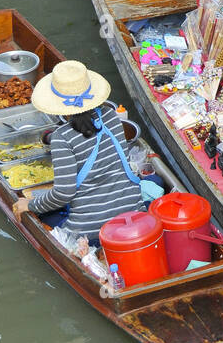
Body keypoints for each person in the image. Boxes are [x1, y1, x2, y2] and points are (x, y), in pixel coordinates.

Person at [13, 61, 144, 240]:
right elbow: (89, 134)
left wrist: (30, 205)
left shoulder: (63, 137)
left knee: (45, 214)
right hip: (135, 216)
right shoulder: (111, 116)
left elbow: (62, 194)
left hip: (91, 230)